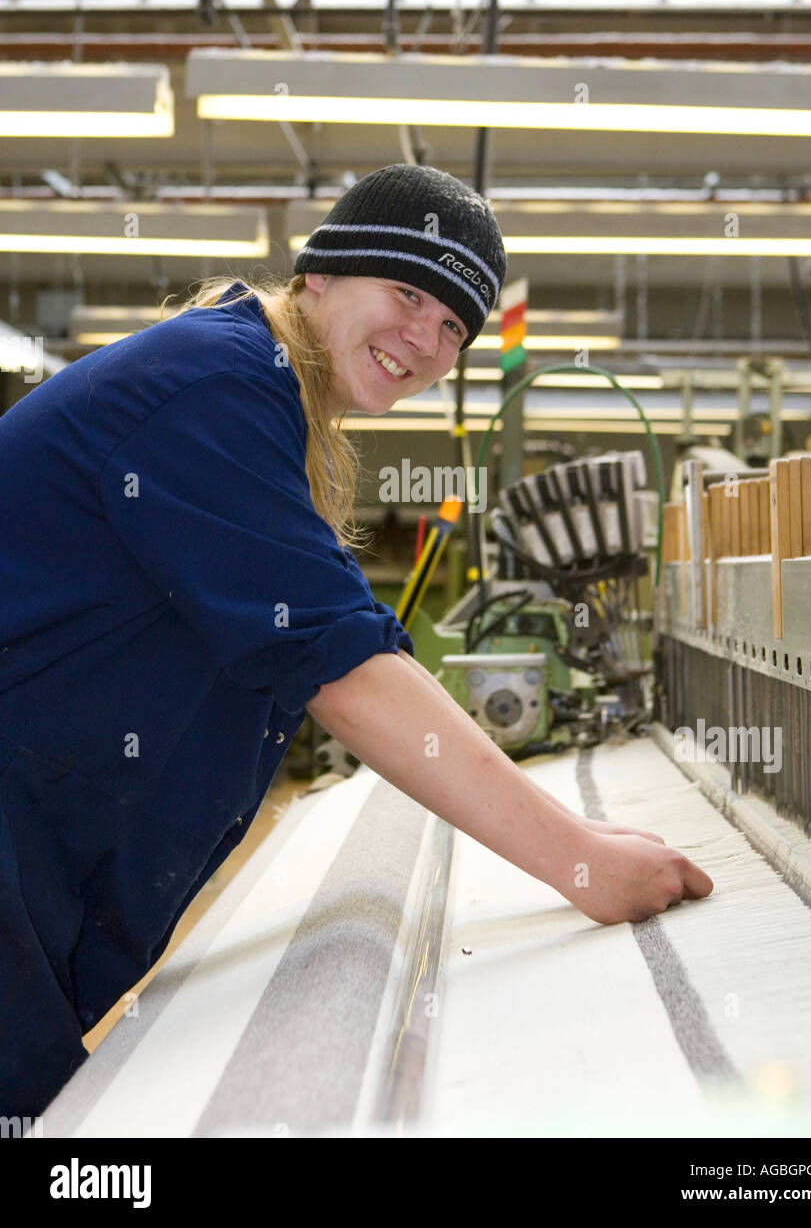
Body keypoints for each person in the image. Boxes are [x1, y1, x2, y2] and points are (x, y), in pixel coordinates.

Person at [0, 163, 712, 1119]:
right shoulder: (210, 384)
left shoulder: (254, 393)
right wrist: (577, 859)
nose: (425, 338)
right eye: (408, 293)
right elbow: (342, 668)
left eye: (455, 326)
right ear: (321, 276)